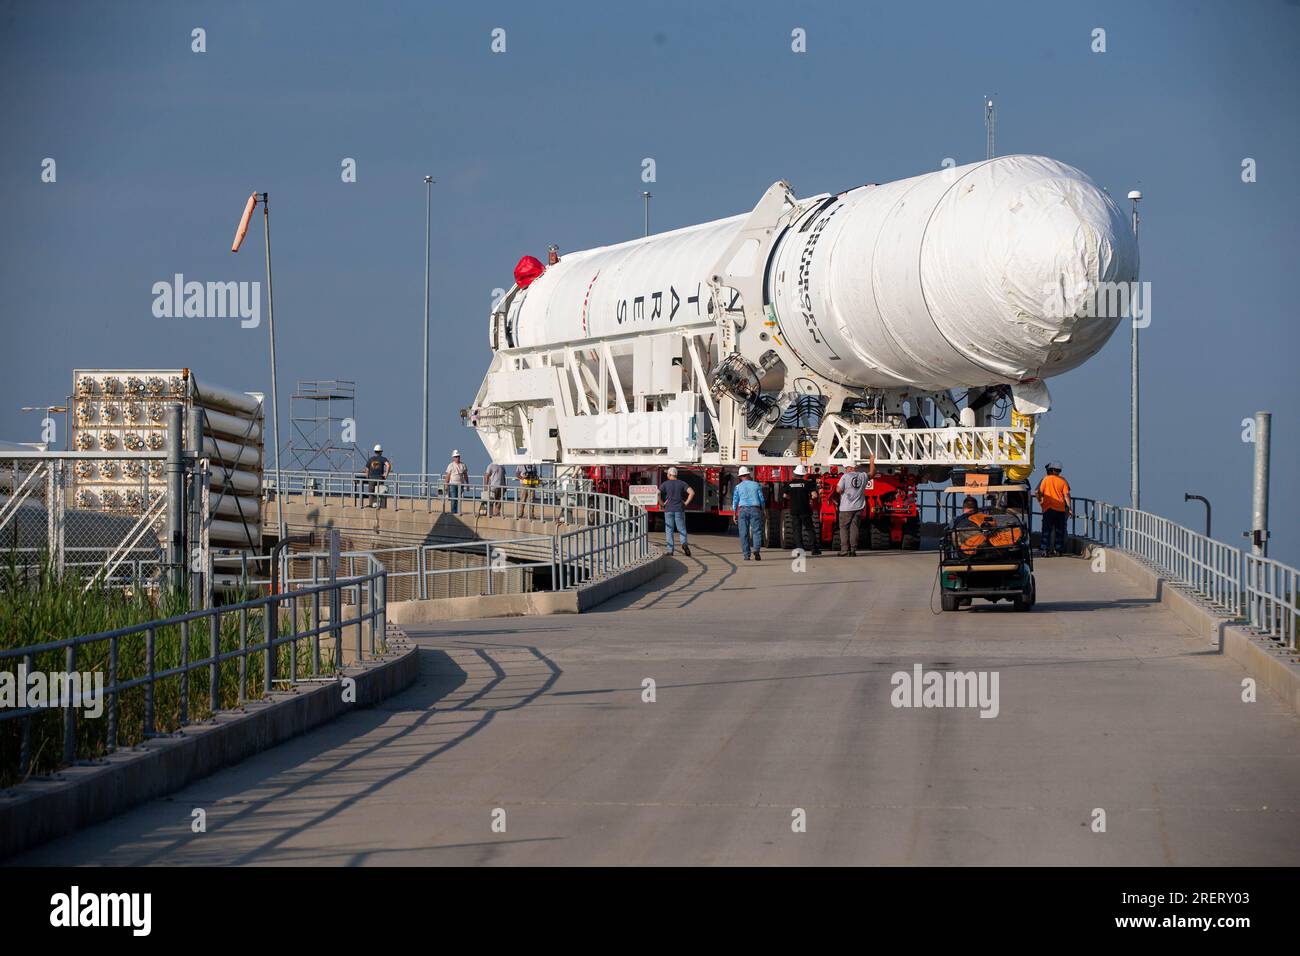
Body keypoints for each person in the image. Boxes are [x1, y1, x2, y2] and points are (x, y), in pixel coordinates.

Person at [834, 454, 876, 556]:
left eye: (846, 468)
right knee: (855, 528)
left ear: (850, 468)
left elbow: (838, 490)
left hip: (846, 508)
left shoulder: (845, 476)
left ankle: (844, 550)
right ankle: (853, 550)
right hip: (859, 507)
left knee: (844, 528)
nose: (845, 470)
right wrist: (871, 461)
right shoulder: (862, 476)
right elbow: (872, 473)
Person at [1035, 461, 1073, 556]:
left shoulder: (1045, 479)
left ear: (1051, 469)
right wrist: (1070, 508)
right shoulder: (1063, 481)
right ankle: (1059, 550)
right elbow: (1067, 496)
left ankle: (1045, 550)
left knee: (1046, 530)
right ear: (1059, 471)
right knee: (1059, 530)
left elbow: (1038, 492)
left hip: (1048, 508)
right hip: (1060, 509)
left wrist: (1041, 501)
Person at [784, 464, 821, 555]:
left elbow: (785, 495)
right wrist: (810, 498)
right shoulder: (807, 484)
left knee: (797, 530)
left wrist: (792, 498)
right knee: (809, 529)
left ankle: (800, 550)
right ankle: (814, 549)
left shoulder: (790, 484)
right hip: (805, 509)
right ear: (803, 474)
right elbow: (815, 495)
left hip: (794, 510)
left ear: (795, 474)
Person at [658, 467, 695, 557]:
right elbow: (692, 492)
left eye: (668, 474)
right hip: (679, 509)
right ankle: (684, 544)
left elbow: (657, 493)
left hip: (668, 509)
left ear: (670, 475)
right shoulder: (682, 483)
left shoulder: (665, 484)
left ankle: (670, 551)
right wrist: (685, 503)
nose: (667, 475)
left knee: (669, 530)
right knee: (681, 529)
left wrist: (661, 503)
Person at [732, 466, 766, 560]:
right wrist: (762, 509)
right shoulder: (756, 485)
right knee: (756, 531)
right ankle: (756, 550)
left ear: (740, 476)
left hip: (743, 510)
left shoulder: (738, 487)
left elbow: (735, 501)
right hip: (755, 509)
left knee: (743, 533)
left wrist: (734, 513)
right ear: (748, 475)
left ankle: (746, 555)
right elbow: (761, 499)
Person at [363, 443, 390, 509]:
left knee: (371, 492)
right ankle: (381, 506)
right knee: (380, 492)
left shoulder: (371, 459)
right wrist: (386, 474)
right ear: (381, 452)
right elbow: (388, 465)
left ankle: (371, 505)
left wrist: (367, 477)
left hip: (371, 477)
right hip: (380, 477)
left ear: (375, 451)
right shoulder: (383, 459)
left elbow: (366, 469)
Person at [444, 449, 469, 515]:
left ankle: (457, 511)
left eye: (458, 456)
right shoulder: (450, 465)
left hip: (460, 485)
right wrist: (446, 485)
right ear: (453, 458)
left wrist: (467, 484)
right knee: (453, 498)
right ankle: (453, 512)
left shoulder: (463, 465)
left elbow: (465, 475)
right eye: (456, 456)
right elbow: (447, 476)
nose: (457, 458)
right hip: (452, 484)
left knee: (458, 499)